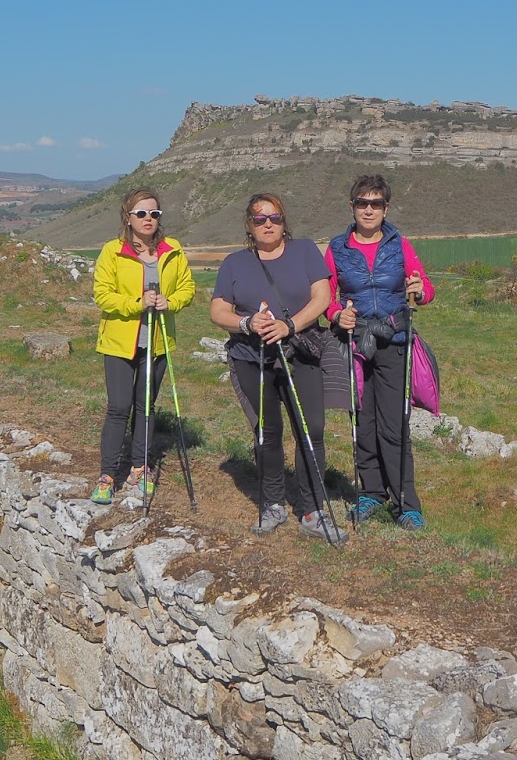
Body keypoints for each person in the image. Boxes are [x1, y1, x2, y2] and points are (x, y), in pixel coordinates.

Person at [210, 193, 346, 542]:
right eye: (260, 219)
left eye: (275, 217)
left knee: (311, 429)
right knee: (267, 432)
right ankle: (272, 503)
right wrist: (246, 323)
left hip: (300, 354)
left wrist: (290, 326)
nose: (268, 224)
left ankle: (313, 509)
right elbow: (218, 311)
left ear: (285, 221)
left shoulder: (304, 251)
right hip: (251, 358)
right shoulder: (234, 263)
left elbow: (322, 298)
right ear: (249, 225)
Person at [325, 174, 435, 530]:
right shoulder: (337, 248)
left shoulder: (398, 244)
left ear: (386, 208)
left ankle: (406, 503)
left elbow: (425, 289)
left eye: (376, 203)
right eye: (362, 202)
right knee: (362, 420)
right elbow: (325, 296)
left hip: (393, 341)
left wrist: (421, 288)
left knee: (393, 423)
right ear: (352, 206)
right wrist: (337, 314)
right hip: (354, 343)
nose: (368, 209)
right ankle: (371, 492)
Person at [90, 187, 195, 505]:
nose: (148, 219)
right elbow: (102, 295)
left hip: (157, 342)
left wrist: (170, 301)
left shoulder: (172, 250)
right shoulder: (113, 251)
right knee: (119, 408)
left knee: (145, 406)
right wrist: (138, 303)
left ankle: (140, 467)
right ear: (128, 217)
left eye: (154, 213)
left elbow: (187, 287)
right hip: (120, 343)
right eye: (141, 213)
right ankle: (108, 476)